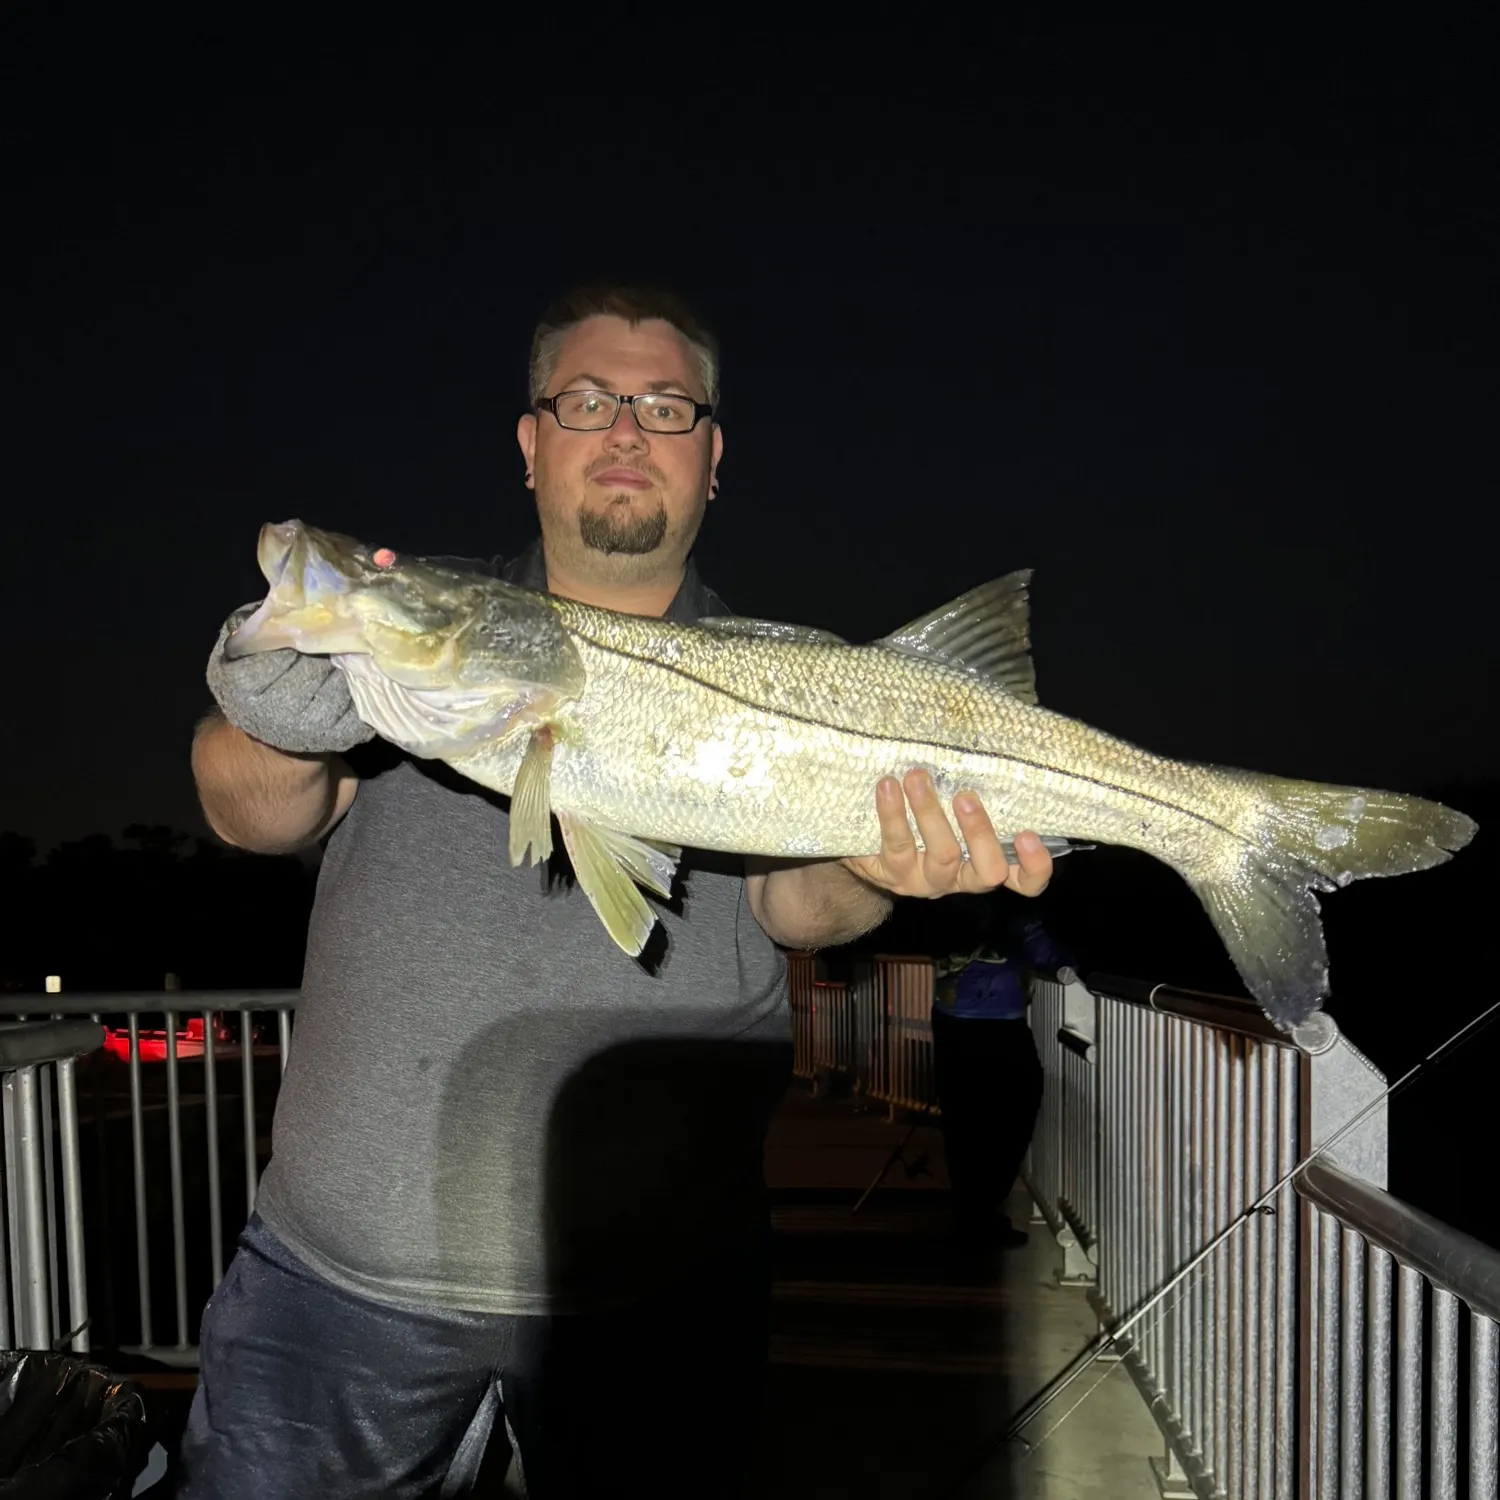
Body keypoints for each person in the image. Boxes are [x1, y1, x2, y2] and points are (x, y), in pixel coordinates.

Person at [181, 283, 1054, 1498]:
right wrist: (291, 689)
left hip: (659, 1294)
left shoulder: (790, 670)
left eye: (665, 406)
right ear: (533, 444)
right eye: (588, 401)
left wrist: (871, 869)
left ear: (712, 459)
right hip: (339, 1291)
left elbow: (795, 914)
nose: (627, 431)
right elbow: (251, 808)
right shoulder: (442, 627)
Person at [931, 899, 1074, 1249]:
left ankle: (971, 1212)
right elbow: (1048, 956)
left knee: (963, 1123)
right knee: (1013, 1117)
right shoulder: (1012, 914)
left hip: (950, 1023)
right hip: (996, 1027)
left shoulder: (948, 904)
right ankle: (983, 1212)